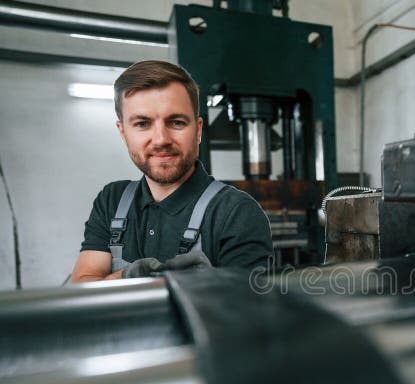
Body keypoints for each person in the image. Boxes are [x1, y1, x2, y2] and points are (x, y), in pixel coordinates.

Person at [70, 60, 273, 283]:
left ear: (198, 131)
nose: (161, 140)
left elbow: (250, 311)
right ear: (122, 132)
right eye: (142, 124)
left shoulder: (235, 212)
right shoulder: (112, 201)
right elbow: (82, 286)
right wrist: (130, 277)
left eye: (176, 122)